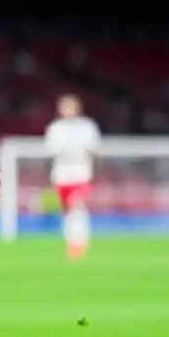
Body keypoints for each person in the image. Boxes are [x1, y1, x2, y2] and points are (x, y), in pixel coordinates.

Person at [43, 94, 101, 260]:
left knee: (77, 205)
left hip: (81, 173)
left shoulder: (87, 127)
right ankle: (71, 241)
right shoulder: (55, 128)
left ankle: (80, 242)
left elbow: (94, 149)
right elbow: (50, 152)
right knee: (67, 210)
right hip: (61, 174)